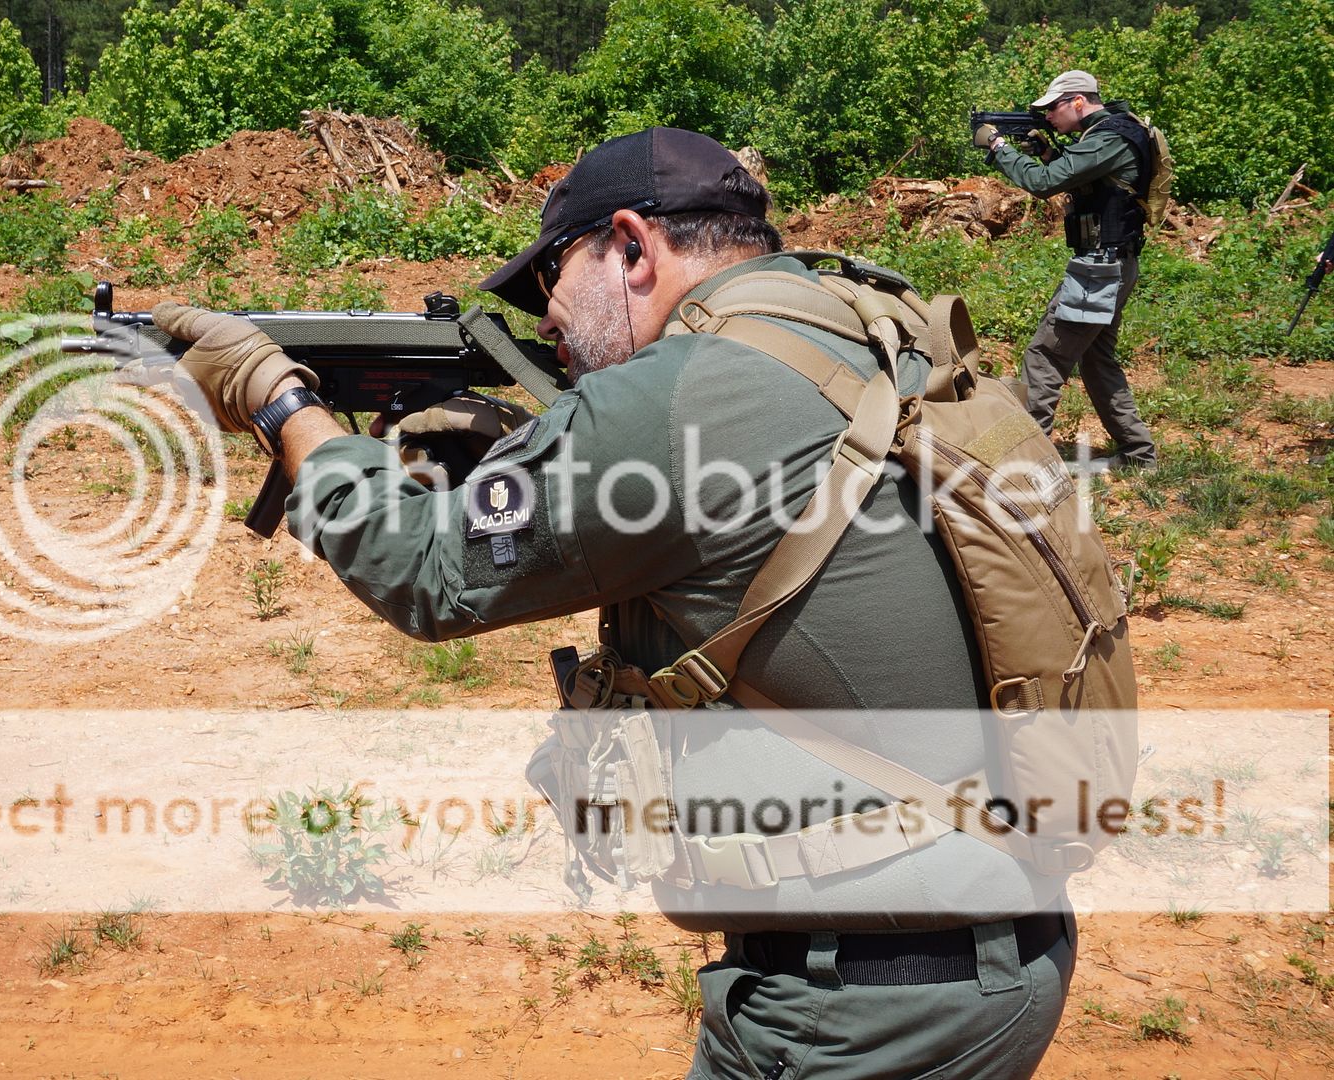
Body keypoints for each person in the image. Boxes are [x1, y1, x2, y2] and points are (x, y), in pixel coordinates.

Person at [153, 127, 1077, 1079]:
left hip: (858, 1002)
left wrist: (277, 402)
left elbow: (424, 574)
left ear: (631, 247)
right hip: (985, 941)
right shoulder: (850, 326)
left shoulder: (681, 390)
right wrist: (527, 457)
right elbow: (737, 512)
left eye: (552, 275)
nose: (546, 320)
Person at [976, 69, 1158, 470]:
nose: (1048, 116)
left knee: (1045, 357)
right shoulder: (1110, 134)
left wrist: (998, 147)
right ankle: (1139, 455)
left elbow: (1043, 184)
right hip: (1113, 265)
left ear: (1078, 101)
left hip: (1099, 270)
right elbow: (1088, 182)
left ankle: (1025, 460)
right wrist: (1048, 153)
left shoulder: (1109, 137)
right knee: (1097, 360)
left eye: (1053, 107)